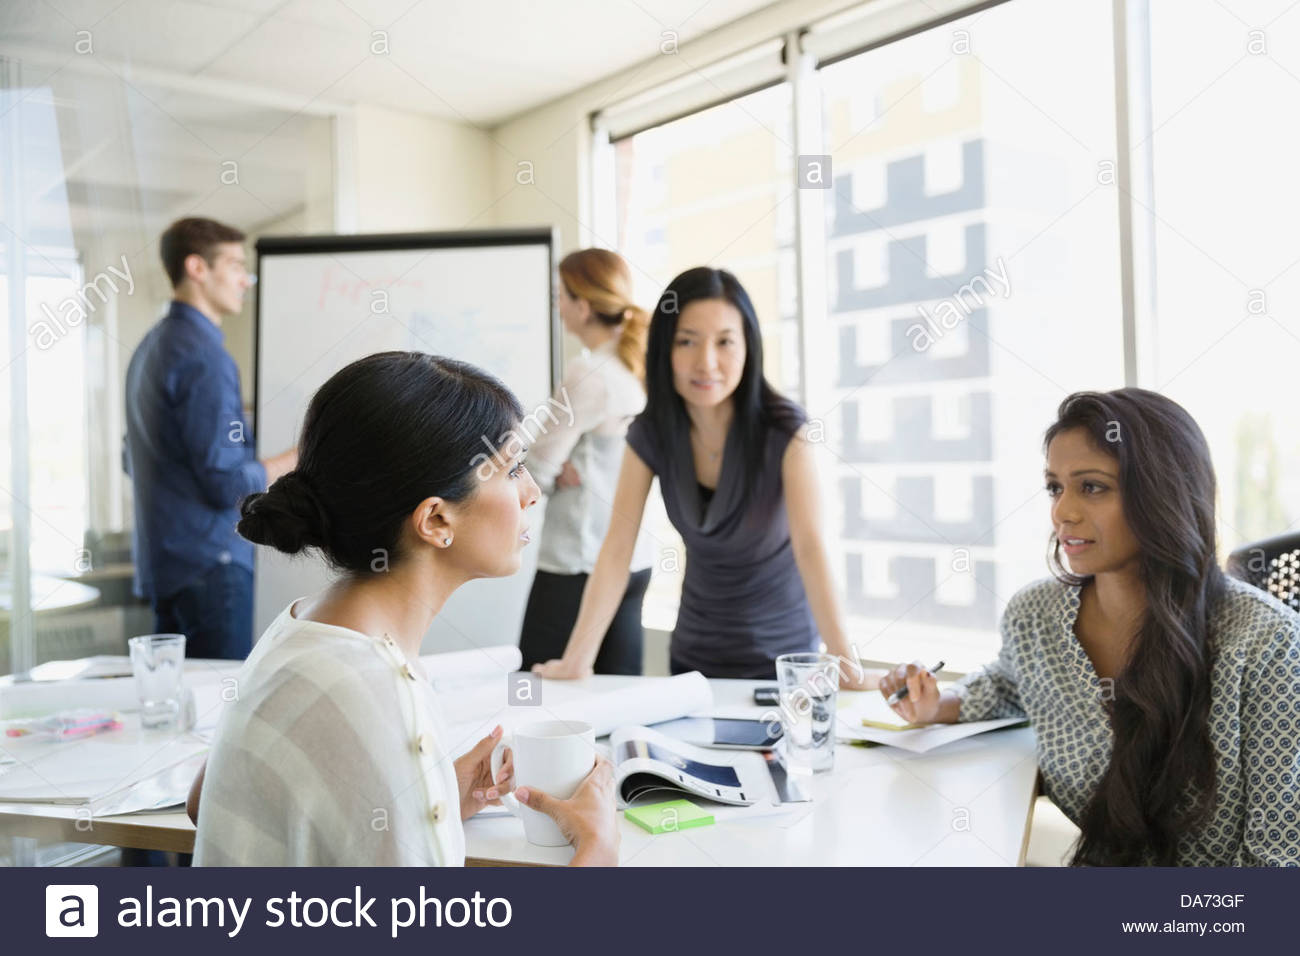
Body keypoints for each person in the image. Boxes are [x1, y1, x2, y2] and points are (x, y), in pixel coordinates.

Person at [191, 352, 618, 866]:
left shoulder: (302, 628)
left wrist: (430, 795)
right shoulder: (374, 692)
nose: (531, 492)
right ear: (436, 520)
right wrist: (598, 849)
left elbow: (206, 799)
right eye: (512, 468)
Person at [878, 388, 1300, 866]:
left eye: (1092, 487)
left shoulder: (1267, 642)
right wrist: (938, 704)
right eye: (1055, 487)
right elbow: (1008, 682)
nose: (1063, 512)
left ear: (1164, 493)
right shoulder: (1034, 617)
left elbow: (1279, 865)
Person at [532, 267, 879, 687]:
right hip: (695, 658)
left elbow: (811, 549)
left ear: (748, 345)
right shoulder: (652, 431)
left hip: (783, 662)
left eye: (725, 342)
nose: (706, 362)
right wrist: (575, 662)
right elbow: (616, 551)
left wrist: (845, 664)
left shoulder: (786, 433)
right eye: (687, 341)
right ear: (665, 348)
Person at [124, 217, 297, 660]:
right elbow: (224, 485)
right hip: (211, 567)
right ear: (198, 268)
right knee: (218, 715)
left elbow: (132, 457)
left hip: (168, 568)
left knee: (183, 714)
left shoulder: (151, 348)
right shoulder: (206, 357)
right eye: (237, 265)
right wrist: (293, 458)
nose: (246, 280)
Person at [519, 249, 656, 675]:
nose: (557, 307)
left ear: (583, 305)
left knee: (536, 693)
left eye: (560, 296)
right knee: (617, 695)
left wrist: (544, 468)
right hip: (634, 559)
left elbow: (536, 472)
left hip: (577, 564)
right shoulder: (639, 364)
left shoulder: (588, 373)